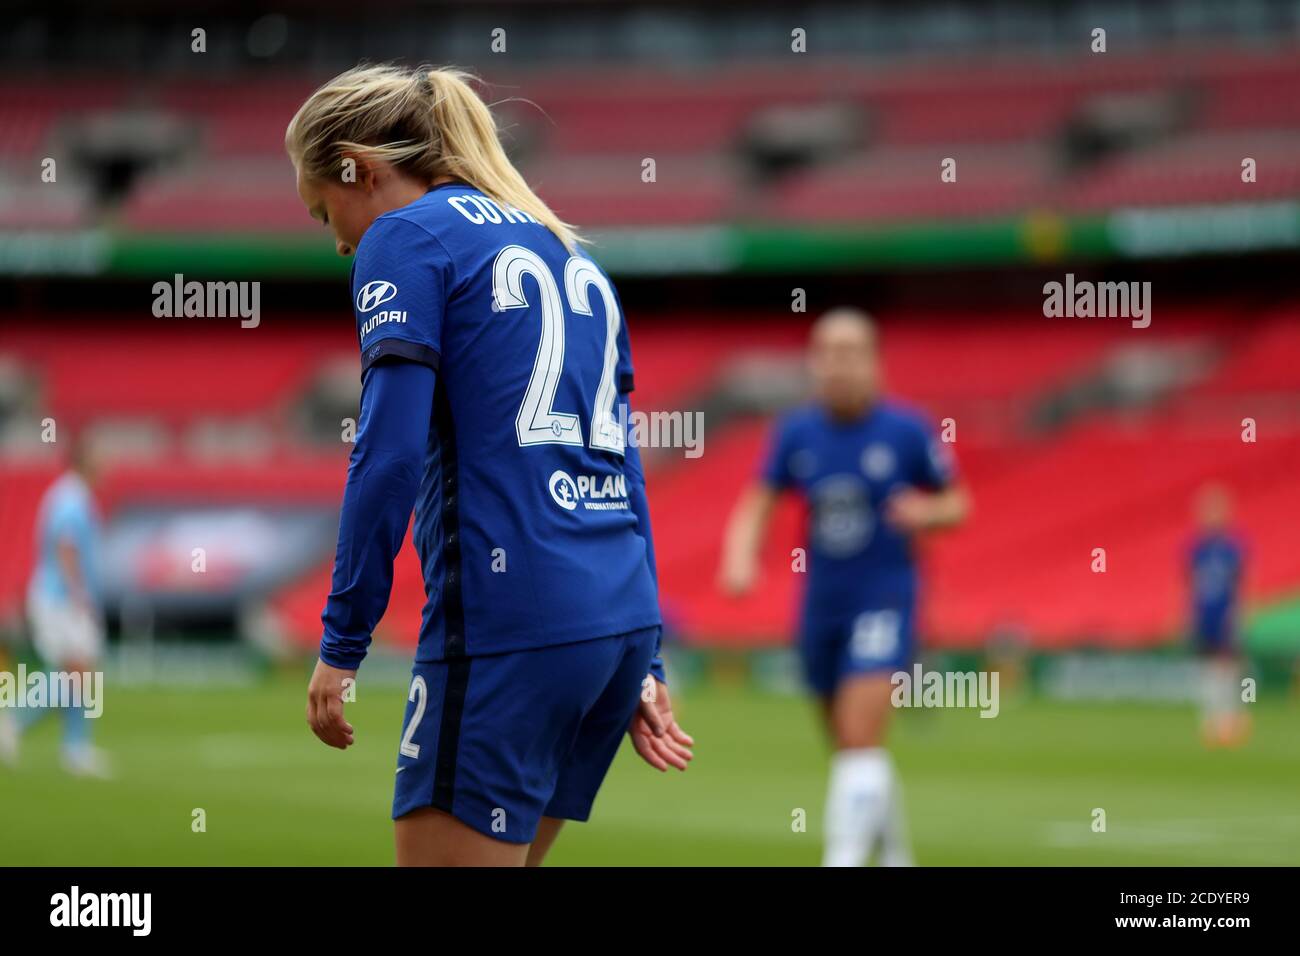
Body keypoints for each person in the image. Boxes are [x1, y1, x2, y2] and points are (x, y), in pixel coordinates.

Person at [287, 64, 692, 866]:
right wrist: (644, 657)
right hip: (614, 623)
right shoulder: (568, 250)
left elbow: (388, 454)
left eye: (324, 209)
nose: (337, 240)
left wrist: (342, 639)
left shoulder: (405, 238)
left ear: (358, 169)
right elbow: (623, 463)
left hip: (511, 623)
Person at [719, 308, 968, 866]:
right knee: (850, 744)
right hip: (822, 603)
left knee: (858, 733)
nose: (838, 365)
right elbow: (759, 500)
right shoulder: (797, 432)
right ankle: (896, 855)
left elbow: (959, 502)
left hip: (885, 596)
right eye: (827, 353)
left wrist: (928, 511)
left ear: (875, 362)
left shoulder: (907, 430)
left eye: (850, 353)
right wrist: (739, 557)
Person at [0, 434, 109, 778]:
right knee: (76, 672)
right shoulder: (72, 498)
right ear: (85, 461)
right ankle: (18, 723)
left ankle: (72, 746)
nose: (106, 465)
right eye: (99, 458)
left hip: (58, 597)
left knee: (75, 671)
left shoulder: (68, 494)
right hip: (60, 599)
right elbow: (66, 546)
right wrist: (79, 594)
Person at [1187, 483, 1248, 747]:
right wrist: (1188, 614)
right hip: (1205, 616)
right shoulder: (1196, 548)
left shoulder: (1233, 547)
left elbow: (1242, 583)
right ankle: (1211, 720)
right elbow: (1189, 584)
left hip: (1226, 615)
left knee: (1229, 669)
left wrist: (1239, 613)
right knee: (1207, 670)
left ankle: (1231, 719)